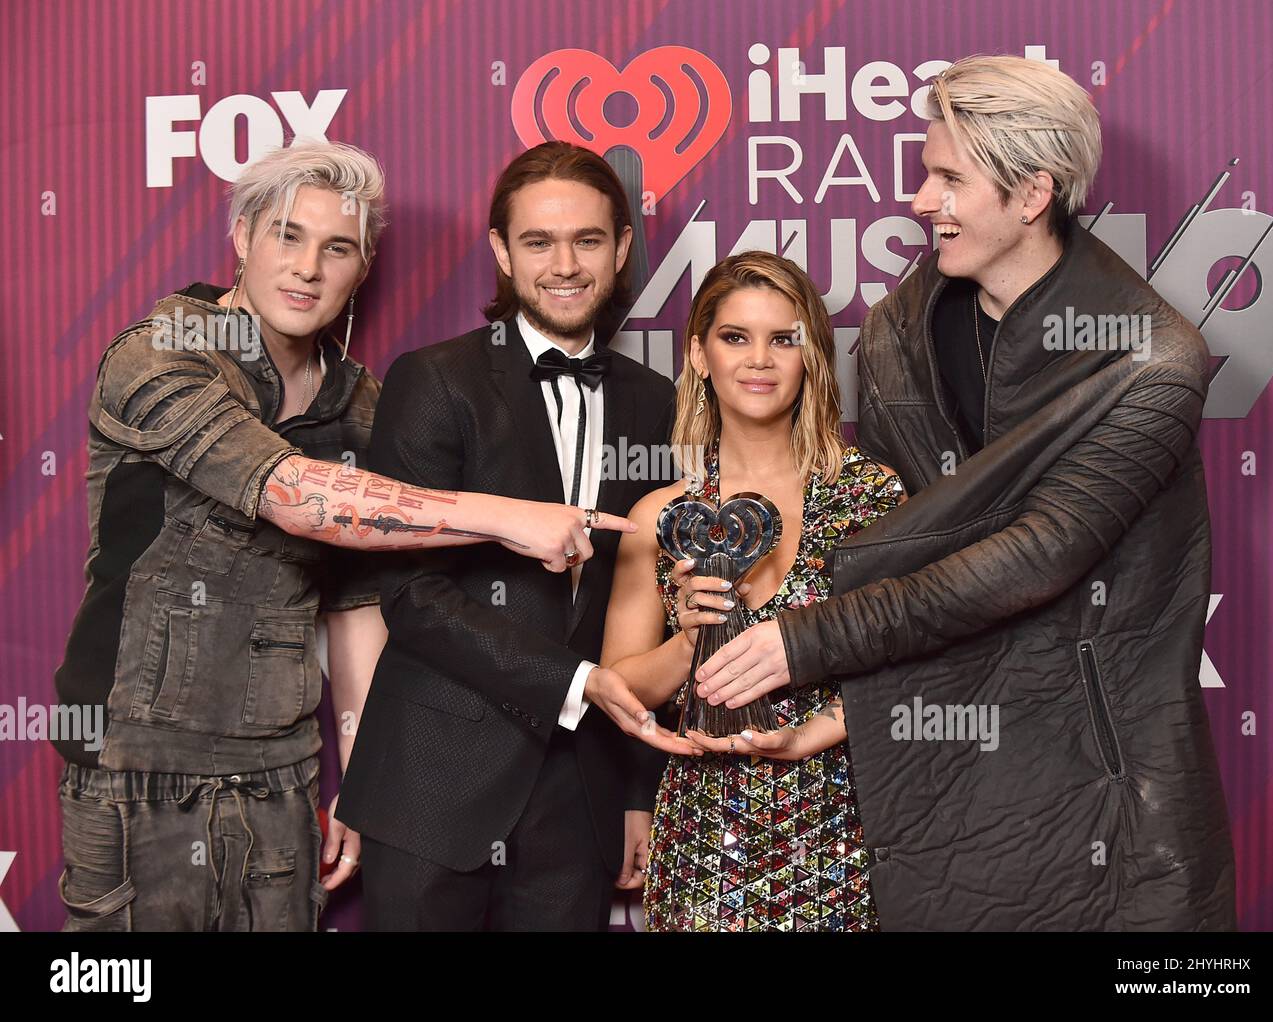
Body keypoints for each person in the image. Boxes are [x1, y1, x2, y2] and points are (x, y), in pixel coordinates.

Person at [692, 56, 1237, 931]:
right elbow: (893, 536)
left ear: (1031, 195)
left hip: (1107, 780)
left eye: (949, 178)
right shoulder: (897, 334)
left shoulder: (1151, 363)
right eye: (923, 173)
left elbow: (1036, 555)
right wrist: (820, 705)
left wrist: (809, 641)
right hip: (949, 772)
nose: (920, 199)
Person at [53, 140, 634, 932]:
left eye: (339, 248)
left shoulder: (360, 401)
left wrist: (360, 779)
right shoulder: (163, 351)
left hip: (279, 769)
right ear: (243, 238)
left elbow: (358, 604)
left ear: (362, 268)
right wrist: (504, 515)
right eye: (288, 236)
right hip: (138, 762)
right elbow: (298, 496)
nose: (307, 269)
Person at [335, 141, 691, 931]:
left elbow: (647, 604)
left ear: (622, 247)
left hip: (580, 796)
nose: (564, 264)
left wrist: (636, 791)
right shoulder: (433, 380)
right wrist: (576, 683)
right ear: (501, 251)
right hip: (432, 785)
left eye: (588, 240)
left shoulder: (656, 402)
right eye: (538, 242)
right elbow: (414, 597)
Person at [601, 251, 906, 931]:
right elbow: (621, 689)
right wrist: (687, 641)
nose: (759, 359)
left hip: (845, 822)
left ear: (813, 358)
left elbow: (920, 672)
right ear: (700, 356)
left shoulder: (872, 497)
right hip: (707, 834)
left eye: (784, 339)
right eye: (735, 337)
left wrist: (814, 734)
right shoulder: (660, 517)